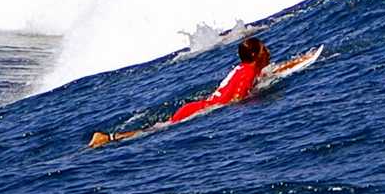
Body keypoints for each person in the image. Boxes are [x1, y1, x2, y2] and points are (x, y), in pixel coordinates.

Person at [88, 36, 273, 148]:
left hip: (196, 106)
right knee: (153, 130)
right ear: (255, 55)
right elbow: (237, 98)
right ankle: (108, 138)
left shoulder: (244, 69)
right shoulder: (249, 73)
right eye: (264, 49)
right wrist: (256, 99)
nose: (268, 51)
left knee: (157, 127)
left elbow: (261, 76)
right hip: (197, 110)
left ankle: (109, 137)